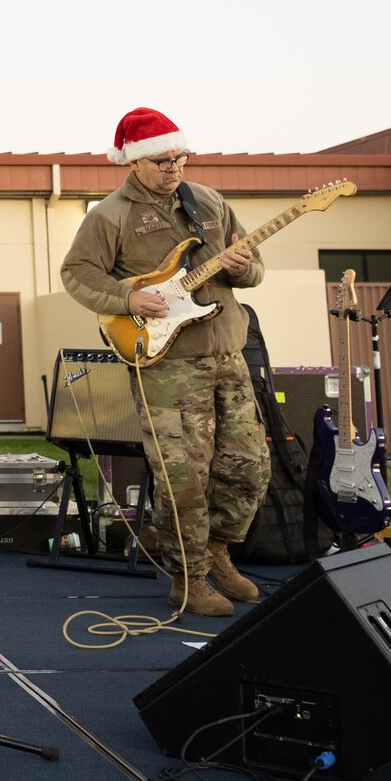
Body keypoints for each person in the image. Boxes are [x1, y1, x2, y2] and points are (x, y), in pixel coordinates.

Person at [59, 106, 271, 618]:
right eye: (162, 160)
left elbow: (255, 270)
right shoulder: (110, 214)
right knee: (184, 477)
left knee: (250, 466)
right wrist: (126, 300)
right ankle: (187, 578)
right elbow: (77, 273)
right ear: (133, 162)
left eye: (180, 157)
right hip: (166, 362)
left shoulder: (210, 202)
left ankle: (216, 550)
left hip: (227, 351)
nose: (174, 167)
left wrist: (244, 269)